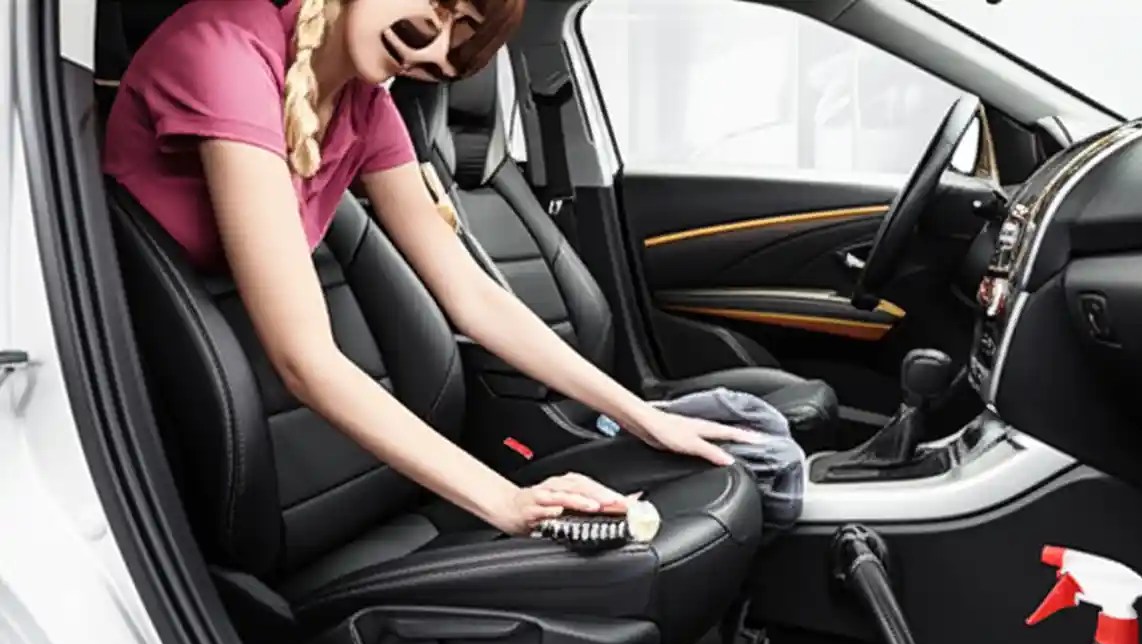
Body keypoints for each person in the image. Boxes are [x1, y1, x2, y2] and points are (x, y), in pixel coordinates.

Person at [102, 0, 757, 537]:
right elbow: (304, 356)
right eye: (439, 7)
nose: (434, 49)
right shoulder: (225, 51)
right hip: (140, 408)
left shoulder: (364, 109)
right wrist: (504, 500)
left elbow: (470, 293)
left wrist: (644, 414)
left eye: (462, 38)